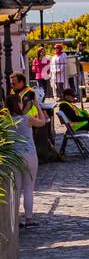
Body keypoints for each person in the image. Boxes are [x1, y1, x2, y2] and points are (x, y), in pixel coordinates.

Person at [7, 87, 47, 228]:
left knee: (16, 190)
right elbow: (43, 122)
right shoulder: (26, 119)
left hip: (14, 157)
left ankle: (15, 221)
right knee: (29, 188)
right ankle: (29, 218)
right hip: (29, 155)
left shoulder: (6, 122)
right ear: (18, 104)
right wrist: (37, 106)